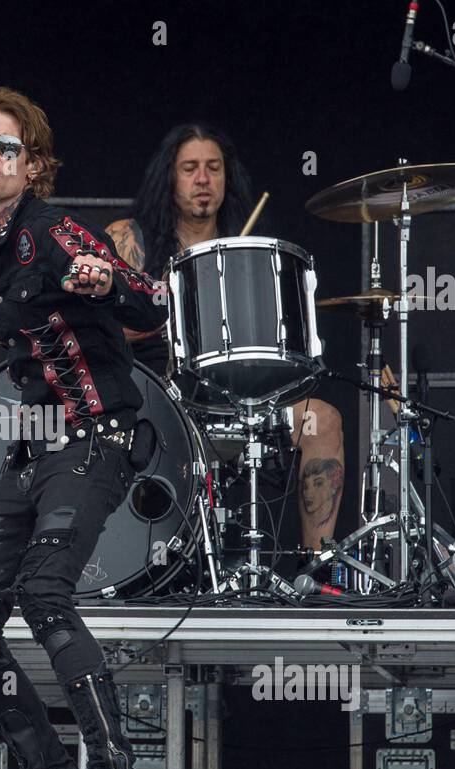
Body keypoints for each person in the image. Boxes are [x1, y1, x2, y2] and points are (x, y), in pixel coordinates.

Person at [0, 87, 167, 769]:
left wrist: (108, 278)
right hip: (31, 450)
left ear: (33, 166)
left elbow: (146, 299)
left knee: (44, 593)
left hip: (95, 439)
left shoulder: (56, 231)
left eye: (4, 147)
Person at [106, 124, 346, 549]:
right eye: (190, 168)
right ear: (170, 178)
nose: (203, 179)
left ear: (226, 178)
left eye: (213, 168)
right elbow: (97, 323)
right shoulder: (131, 240)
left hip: (238, 404)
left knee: (322, 420)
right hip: (155, 404)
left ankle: (317, 566)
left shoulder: (244, 249)